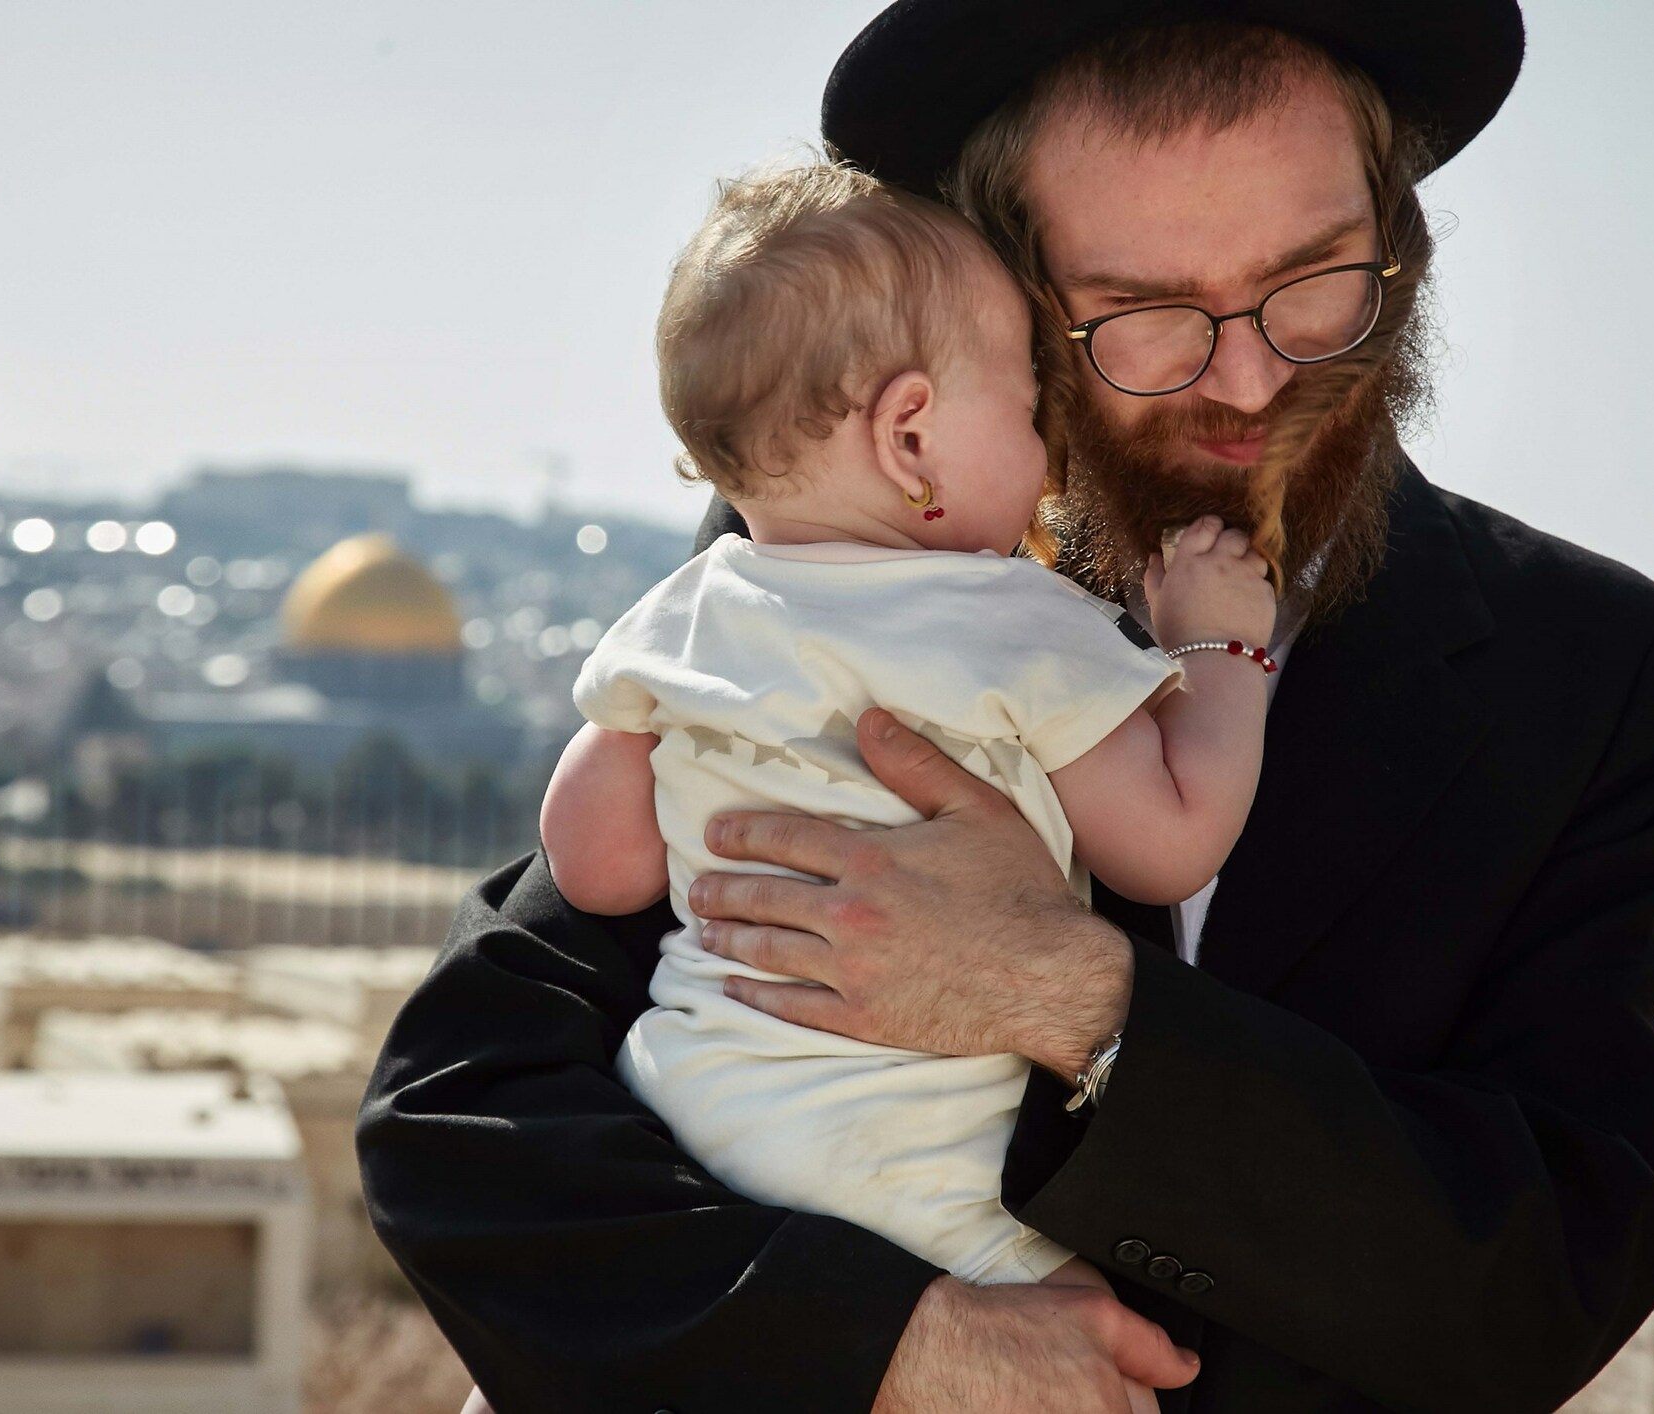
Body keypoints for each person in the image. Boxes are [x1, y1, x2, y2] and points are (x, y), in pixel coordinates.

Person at [359, 5, 1654, 1412]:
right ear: (1012, 301)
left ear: (1399, 244)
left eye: (1313, 281)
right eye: (1142, 312)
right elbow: (467, 1112)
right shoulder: (846, 552)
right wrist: (891, 1342)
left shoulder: (1588, 660)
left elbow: (1557, 1260)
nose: (1246, 377)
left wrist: (1077, 999)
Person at [523, 160, 1277, 1414]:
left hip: (694, 1139)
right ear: (911, 433)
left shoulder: (680, 614)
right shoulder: (1012, 622)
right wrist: (1218, 649)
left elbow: (592, 867)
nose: (1045, 463)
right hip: (920, 1189)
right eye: (1030, 410)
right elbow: (1170, 844)